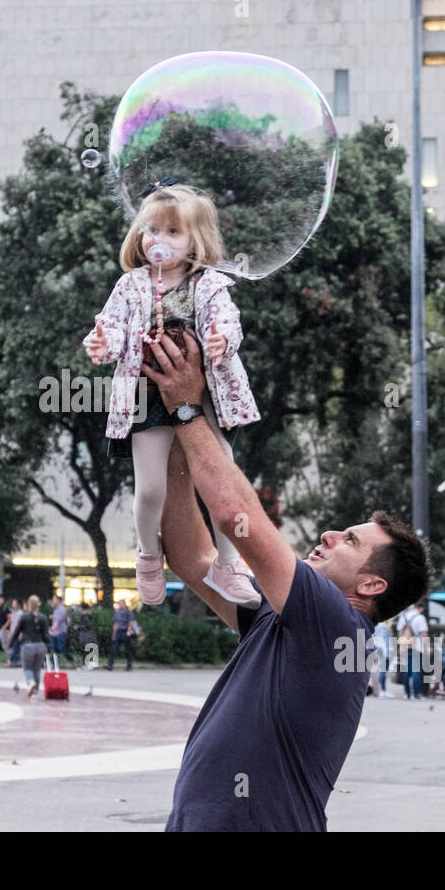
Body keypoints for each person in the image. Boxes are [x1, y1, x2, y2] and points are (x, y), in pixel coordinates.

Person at [142, 328, 431, 830]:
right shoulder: (283, 620)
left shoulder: (338, 624)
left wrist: (188, 409)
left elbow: (236, 515)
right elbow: (192, 557)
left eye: (351, 540)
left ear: (370, 586)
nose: (329, 533)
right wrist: (168, 425)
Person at [84, 181, 260, 608]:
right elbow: (113, 328)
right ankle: (148, 553)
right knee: (149, 490)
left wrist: (222, 340)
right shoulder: (130, 285)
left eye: (172, 232)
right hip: (146, 393)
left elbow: (227, 322)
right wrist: (101, 343)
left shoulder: (210, 284)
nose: (158, 240)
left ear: (196, 239)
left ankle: (228, 563)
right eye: (151, 230)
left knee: (223, 481)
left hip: (204, 394)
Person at [13, 596, 51, 697]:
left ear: (29, 604)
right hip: (41, 646)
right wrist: (50, 648)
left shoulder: (24, 617)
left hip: (28, 646)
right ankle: (36, 690)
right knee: (37, 669)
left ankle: (30, 682)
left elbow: (17, 631)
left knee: (27, 668)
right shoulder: (43, 617)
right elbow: (46, 635)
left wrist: (11, 642)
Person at [397, 601, 430, 699]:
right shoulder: (420, 618)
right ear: (421, 608)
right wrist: (427, 646)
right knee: (416, 671)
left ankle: (407, 694)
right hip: (417, 646)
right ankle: (417, 694)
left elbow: (400, 632)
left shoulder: (403, 616)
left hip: (405, 646)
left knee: (407, 670)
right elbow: (423, 634)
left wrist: (400, 646)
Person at [107, 599, 134, 671]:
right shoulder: (117, 612)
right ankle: (110, 665)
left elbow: (130, 623)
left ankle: (129, 665)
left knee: (127, 650)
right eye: (119, 604)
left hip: (125, 631)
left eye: (122, 603)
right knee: (114, 649)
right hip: (118, 632)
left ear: (125, 604)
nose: (120, 605)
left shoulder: (129, 612)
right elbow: (115, 624)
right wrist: (113, 634)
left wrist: (128, 633)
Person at [371, 618, 394, 698]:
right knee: (382, 671)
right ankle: (382, 690)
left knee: (378, 671)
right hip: (383, 652)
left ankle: (380, 690)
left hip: (377, 650)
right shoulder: (384, 626)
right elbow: (384, 641)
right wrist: (387, 653)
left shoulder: (377, 625)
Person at [48, 594, 72, 665]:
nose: (52, 600)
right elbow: (57, 618)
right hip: (55, 632)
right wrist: (52, 616)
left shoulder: (61, 609)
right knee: (54, 648)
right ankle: (55, 662)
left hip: (60, 632)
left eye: (54, 599)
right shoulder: (56, 609)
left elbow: (56, 623)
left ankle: (70, 659)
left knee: (60, 648)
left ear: (58, 600)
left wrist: (50, 630)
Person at [6, 598, 24, 666]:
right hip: (13, 633)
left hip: (18, 634)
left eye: (14, 604)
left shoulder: (21, 614)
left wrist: (21, 634)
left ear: (18, 605)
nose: (13, 605)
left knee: (15, 647)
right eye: (13, 603)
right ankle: (15, 661)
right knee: (15, 648)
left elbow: (22, 625)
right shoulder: (13, 613)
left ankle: (10, 661)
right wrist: (10, 632)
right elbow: (12, 623)